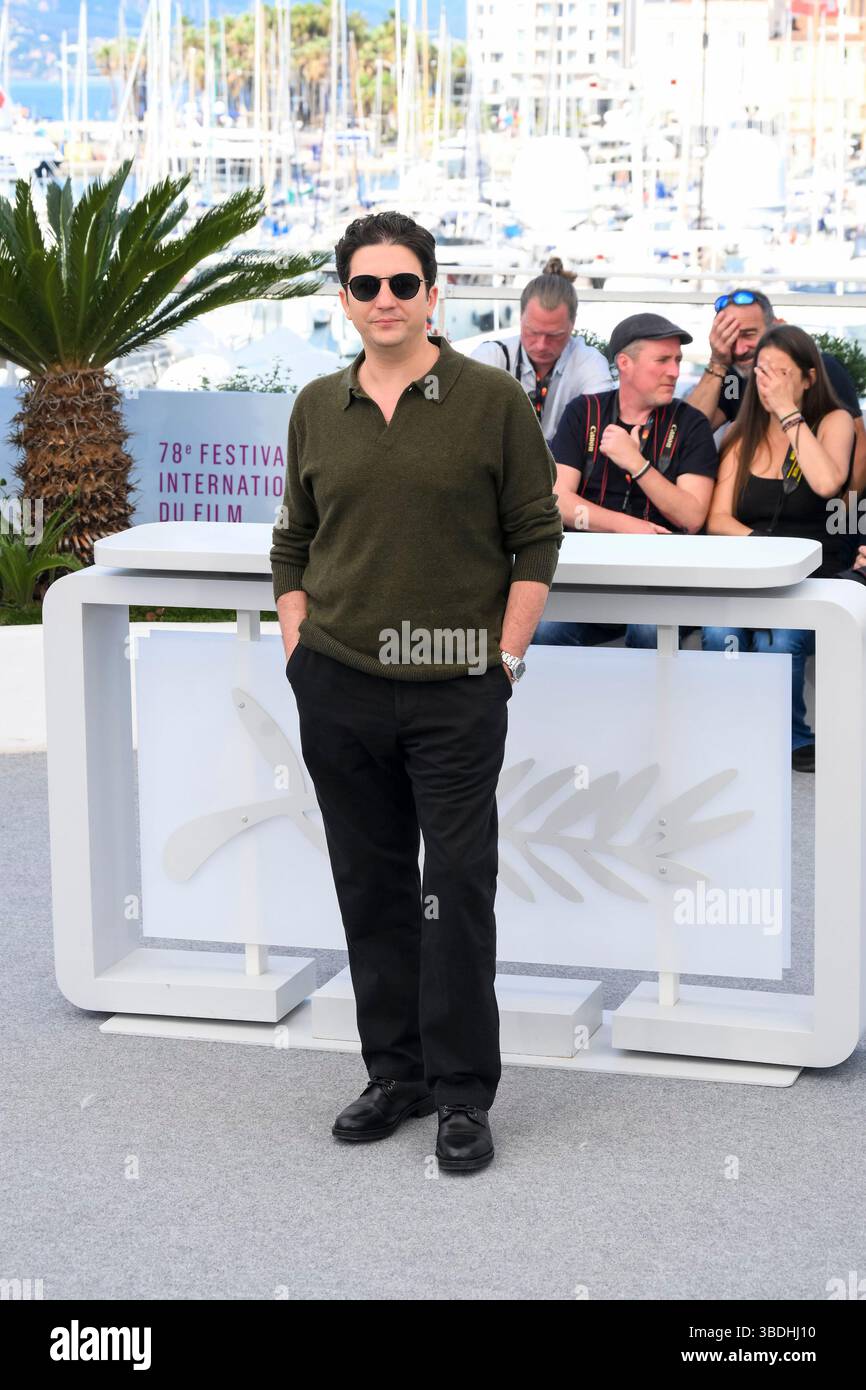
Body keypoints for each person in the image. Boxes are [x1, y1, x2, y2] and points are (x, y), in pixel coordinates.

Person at [270, 211, 563, 1173]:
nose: (386, 300)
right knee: (373, 886)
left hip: (456, 690)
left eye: (404, 283)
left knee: (457, 891)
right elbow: (293, 539)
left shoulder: (490, 402)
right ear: (344, 299)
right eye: (367, 286)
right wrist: (298, 643)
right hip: (340, 683)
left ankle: (462, 1094)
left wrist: (506, 659)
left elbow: (535, 535)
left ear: (434, 293)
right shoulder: (317, 405)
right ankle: (393, 1075)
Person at [702, 324, 855, 774]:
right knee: (716, 637)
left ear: (808, 378)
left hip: (814, 575)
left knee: (780, 639)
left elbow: (828, 483)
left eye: (782, 373)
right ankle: (730, 731)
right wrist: (766, 551)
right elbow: (718, 519)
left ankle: (790, 739)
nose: (768, 382)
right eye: (763, 371)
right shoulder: (741, 434)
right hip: (754, 573)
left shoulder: (833, 422)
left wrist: (789, 416)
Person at [532, 312, 719, 648]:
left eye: (677, 360)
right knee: (547, 631)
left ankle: (648, 703)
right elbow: (559, 501)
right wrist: (627, 525)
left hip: (665, 581)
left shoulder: (691, 423)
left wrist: (638, 464)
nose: (675, 371)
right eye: (662, 360)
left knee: (648, 631)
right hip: (592, 579)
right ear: (624, 363)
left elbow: (691, 518)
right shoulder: (584, 412)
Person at [688, 287, 866, 497]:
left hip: (821, 504)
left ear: (777, 326)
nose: (739, 349)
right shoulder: (734, 377)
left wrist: (845, 518)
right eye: (730, 339)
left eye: (749, 335)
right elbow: (692, 430)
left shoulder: (820, 369)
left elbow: (860, 447)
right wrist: (717, 361)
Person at [470, 256, 613, 439]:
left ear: (573, 324)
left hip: (566, 465)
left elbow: (600, 427)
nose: (541, 345)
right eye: (533, 332)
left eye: (555, 335)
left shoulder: (589, 363)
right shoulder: (492, 356)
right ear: (520, 318)